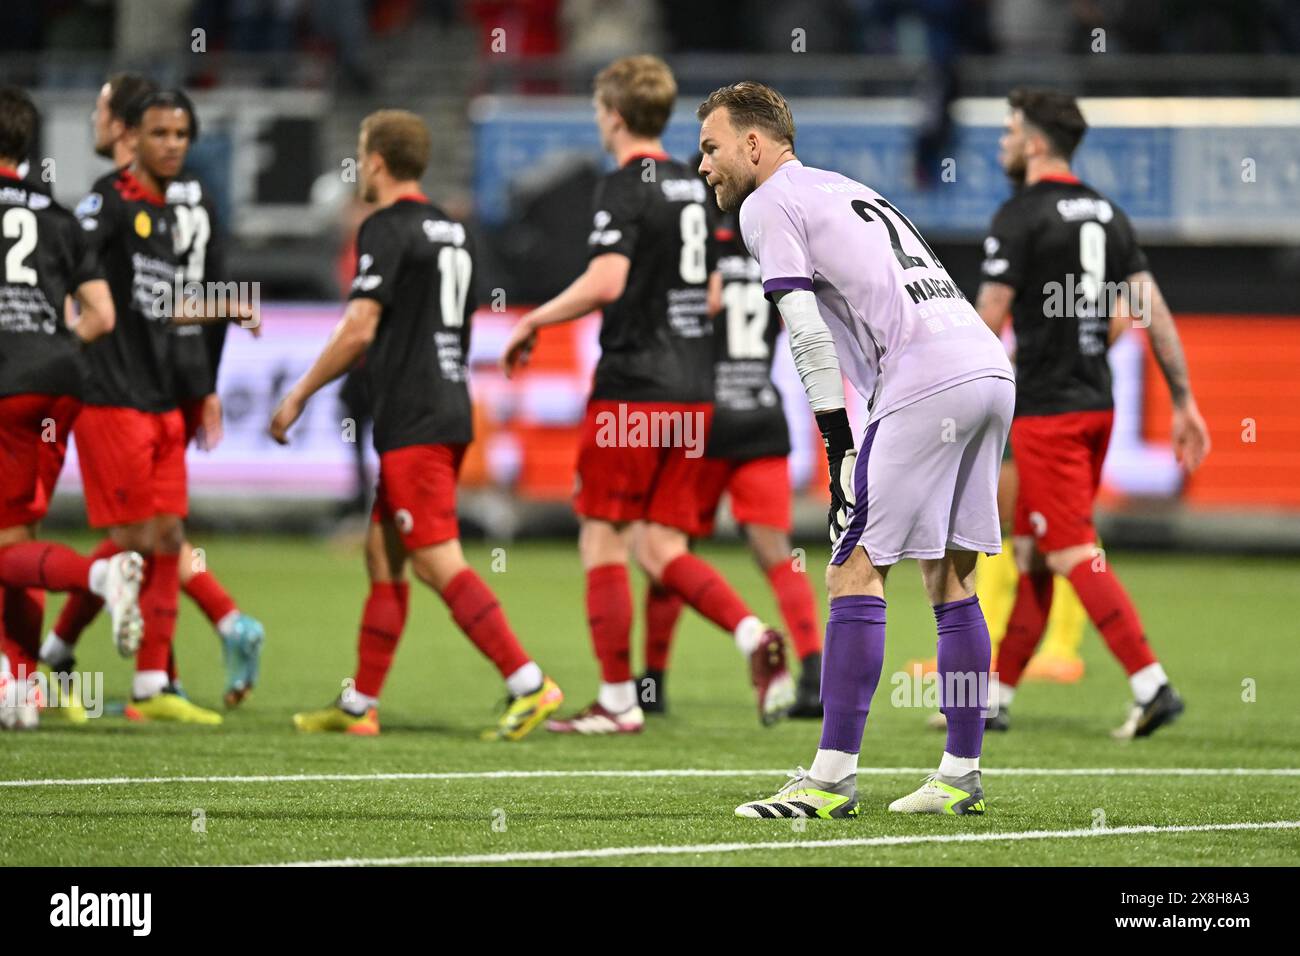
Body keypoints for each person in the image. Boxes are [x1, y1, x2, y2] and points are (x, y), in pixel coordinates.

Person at [697, 81, 1014, 818]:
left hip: (927, 377)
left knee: (852, 572)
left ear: (754, 144)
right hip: (987, 369)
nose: (704, 165)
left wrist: (838, 443)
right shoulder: (843, 187)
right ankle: (960, 772)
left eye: (712, 148)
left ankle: (831, 776)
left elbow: (805, 331)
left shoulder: (766, 203)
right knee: (951, 577)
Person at [501, 55, 794, 734]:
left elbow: (607, 280)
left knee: (602, 538)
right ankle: (754, 636)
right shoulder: (697, 187)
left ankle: (616, 699)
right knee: (661, 547)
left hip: (634, 390)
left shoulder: (622, 186)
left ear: (611, 114)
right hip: (695, 394)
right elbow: (717, 290)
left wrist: (534, 318)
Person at [273, 109, 563, 740]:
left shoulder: (385, 226)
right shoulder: (451, 228)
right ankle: (360, 706)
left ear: (374, 161)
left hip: (415, 413)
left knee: (435, 561)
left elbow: (359, 326)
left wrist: (298, 394)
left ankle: (528, 682)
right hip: (447, 402)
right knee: (384, 553)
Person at [974, 88, 1209, 738]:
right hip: (1095, 404)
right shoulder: (1108, 215)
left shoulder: (1020, 216)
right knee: (1034, 551)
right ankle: (993, 696)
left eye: (1009, 130)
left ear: (1037, 142)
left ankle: (1150, 682)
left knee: (1071, 546)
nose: (1003, 142)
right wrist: (1184, 399)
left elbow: (987, 319)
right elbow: (1145, 308)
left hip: (1048, 411)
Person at [43, 76, 265, 711]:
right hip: (112, 396)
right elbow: (64, 273)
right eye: (160, 133)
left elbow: (160, 304)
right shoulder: (104, 202)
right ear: (130, 136)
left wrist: (229, 305)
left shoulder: (165, 212)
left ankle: (150, 683)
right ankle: (53, 655)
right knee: (134, 537)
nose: (172, 145)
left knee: (166, 536)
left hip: (162, 397)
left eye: (181, 135)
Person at [639, 164, 822, 719]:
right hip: (761, 413)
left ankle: (653, 681)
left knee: (666, 549)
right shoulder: (773, 245)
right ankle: (814, 673)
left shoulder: (693, 256)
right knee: (775, 553)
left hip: (702, 417)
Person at [0, 85, 144, 729]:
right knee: (15, 541)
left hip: (8, 387)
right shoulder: (60, 215)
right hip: (60, 385)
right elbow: (103, 314)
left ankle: (97, 577)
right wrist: (49, 345)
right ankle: (22, 688)